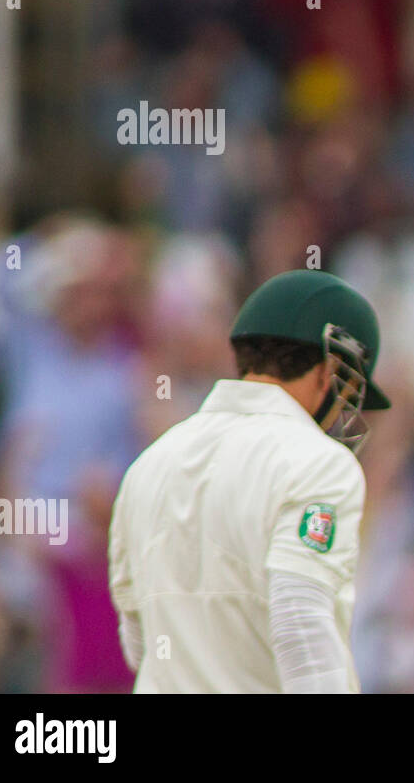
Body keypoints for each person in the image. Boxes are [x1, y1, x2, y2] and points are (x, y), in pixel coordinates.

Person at [108, 269, 391, 692]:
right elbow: (300, 620)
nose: (349, 412)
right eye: (352, 390)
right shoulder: (320, 462)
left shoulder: (149, 464)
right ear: (333, 367)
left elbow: (137, 641)